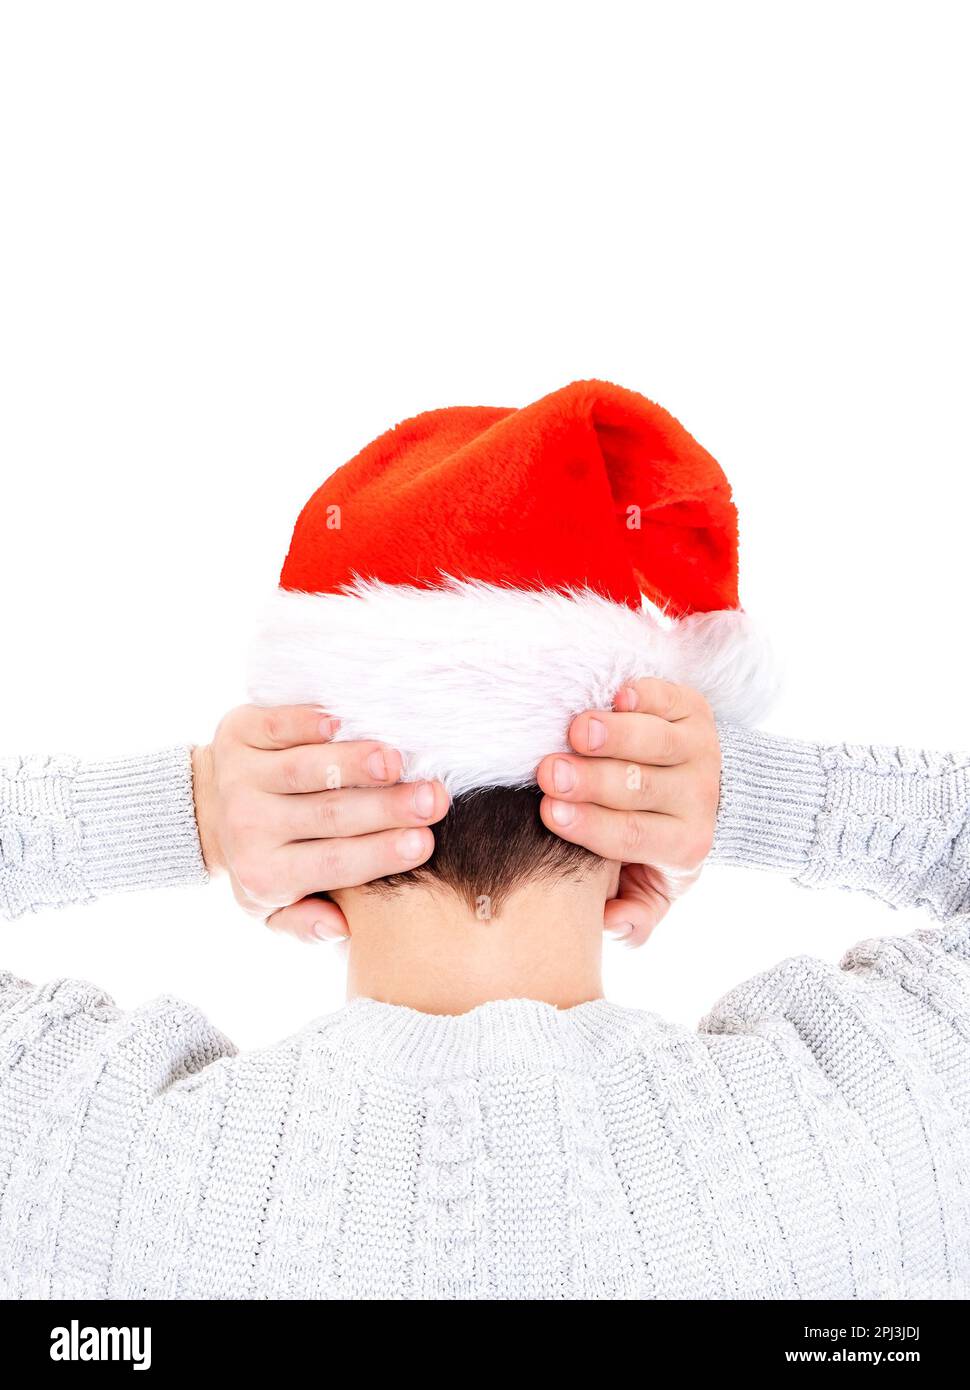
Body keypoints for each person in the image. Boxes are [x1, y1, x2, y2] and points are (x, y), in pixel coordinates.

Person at [2, 380, 968, 1300]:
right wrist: (753, 795)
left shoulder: (101, 1172)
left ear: (313, 804)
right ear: (632, 832)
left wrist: (187, 811)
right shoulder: (860, 1146)